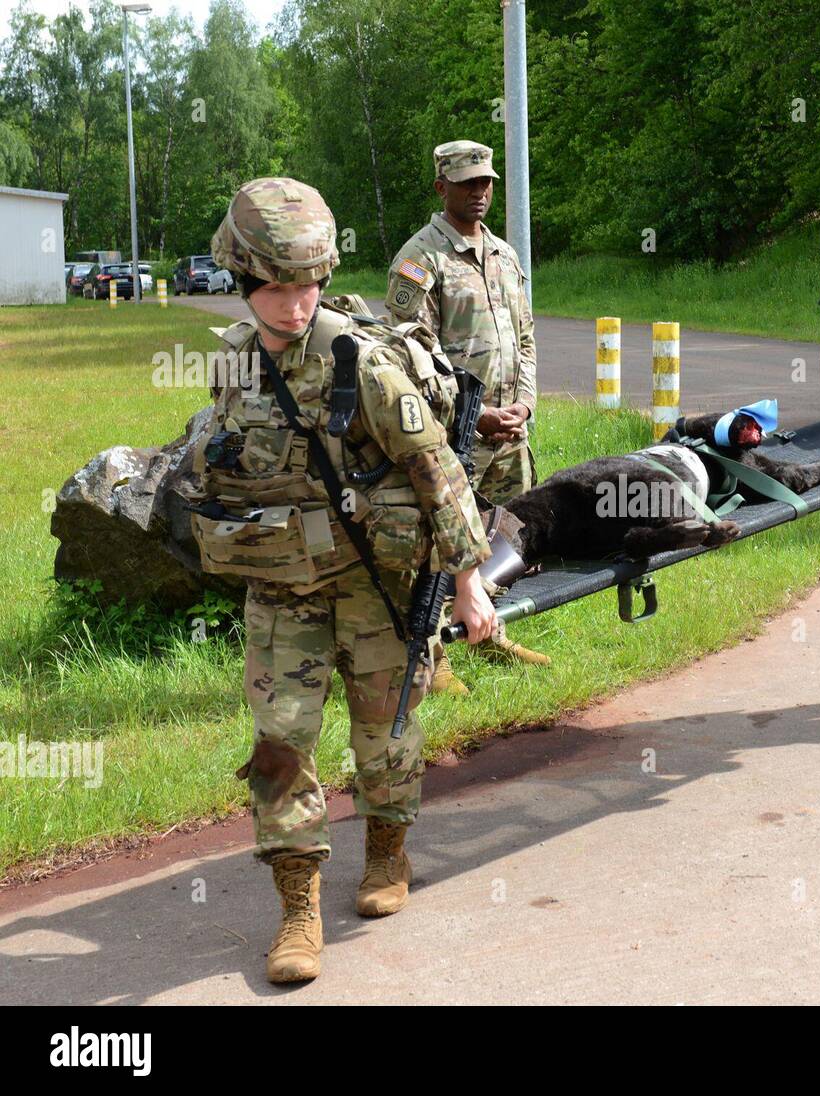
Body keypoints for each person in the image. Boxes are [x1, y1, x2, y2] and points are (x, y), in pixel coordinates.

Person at [196, 177, 497, 983]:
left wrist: (468, 583)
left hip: (372, 582)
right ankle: (297, 909)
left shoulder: (356, 360)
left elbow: (434, 467)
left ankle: (387, 855)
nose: (296, 304)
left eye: (310, 286)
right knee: (280, 743)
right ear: (241, 278)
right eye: (277, 288)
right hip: (281, 590)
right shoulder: (228, 365)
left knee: (385, 737)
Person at [386, 139, 548, 691]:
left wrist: (523, 405)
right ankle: (434, 660)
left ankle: (487, 629)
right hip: (452, 435)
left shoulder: (504, 256)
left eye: (486, 183)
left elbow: (524, 340)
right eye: (467, 183)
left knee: (505, 532)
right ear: (441, 188)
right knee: (441, 540)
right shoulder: (419, 261)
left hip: (510, 433)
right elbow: (413, 358)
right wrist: (474, 415)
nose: (480, 193)